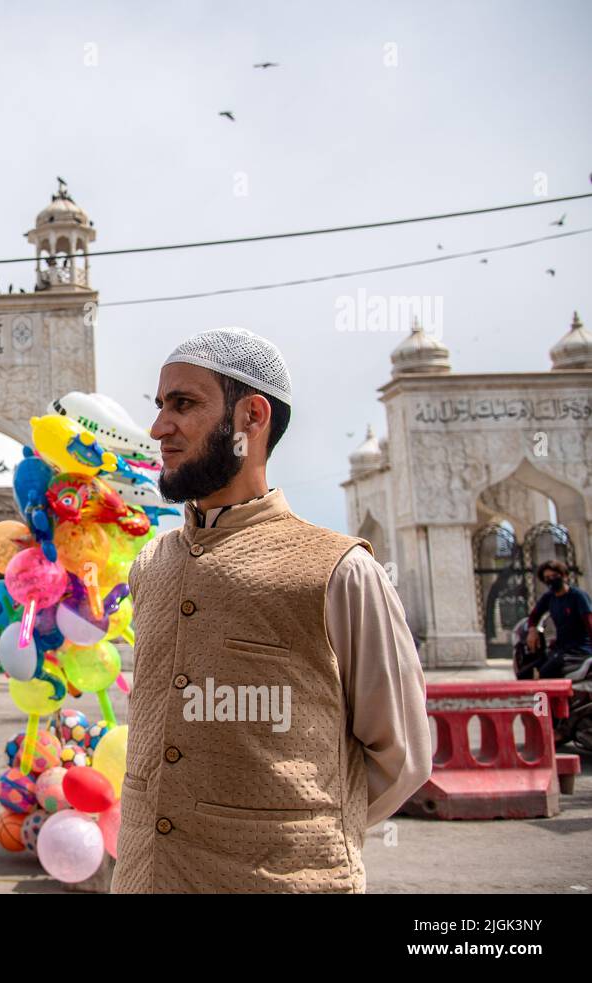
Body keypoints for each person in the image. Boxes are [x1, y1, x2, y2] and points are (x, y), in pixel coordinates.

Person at [111, 327, 432, 894]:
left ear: (251, 418)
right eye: (159, 406)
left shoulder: (338, 570)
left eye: (183, 404)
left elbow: (401, 756)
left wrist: (285, 833)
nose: (159, 427)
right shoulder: (152, 564)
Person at [526, 560, 592, 678]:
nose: (551, 580)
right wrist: (532, 630)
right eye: (547, 577)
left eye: (555, 576)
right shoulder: (549, 597)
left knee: (546, 673)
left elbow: (590, 623)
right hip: (560, 648)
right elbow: (534, 615)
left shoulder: (578, 596)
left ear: (564, 576)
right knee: (526, 673)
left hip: (579, 649)